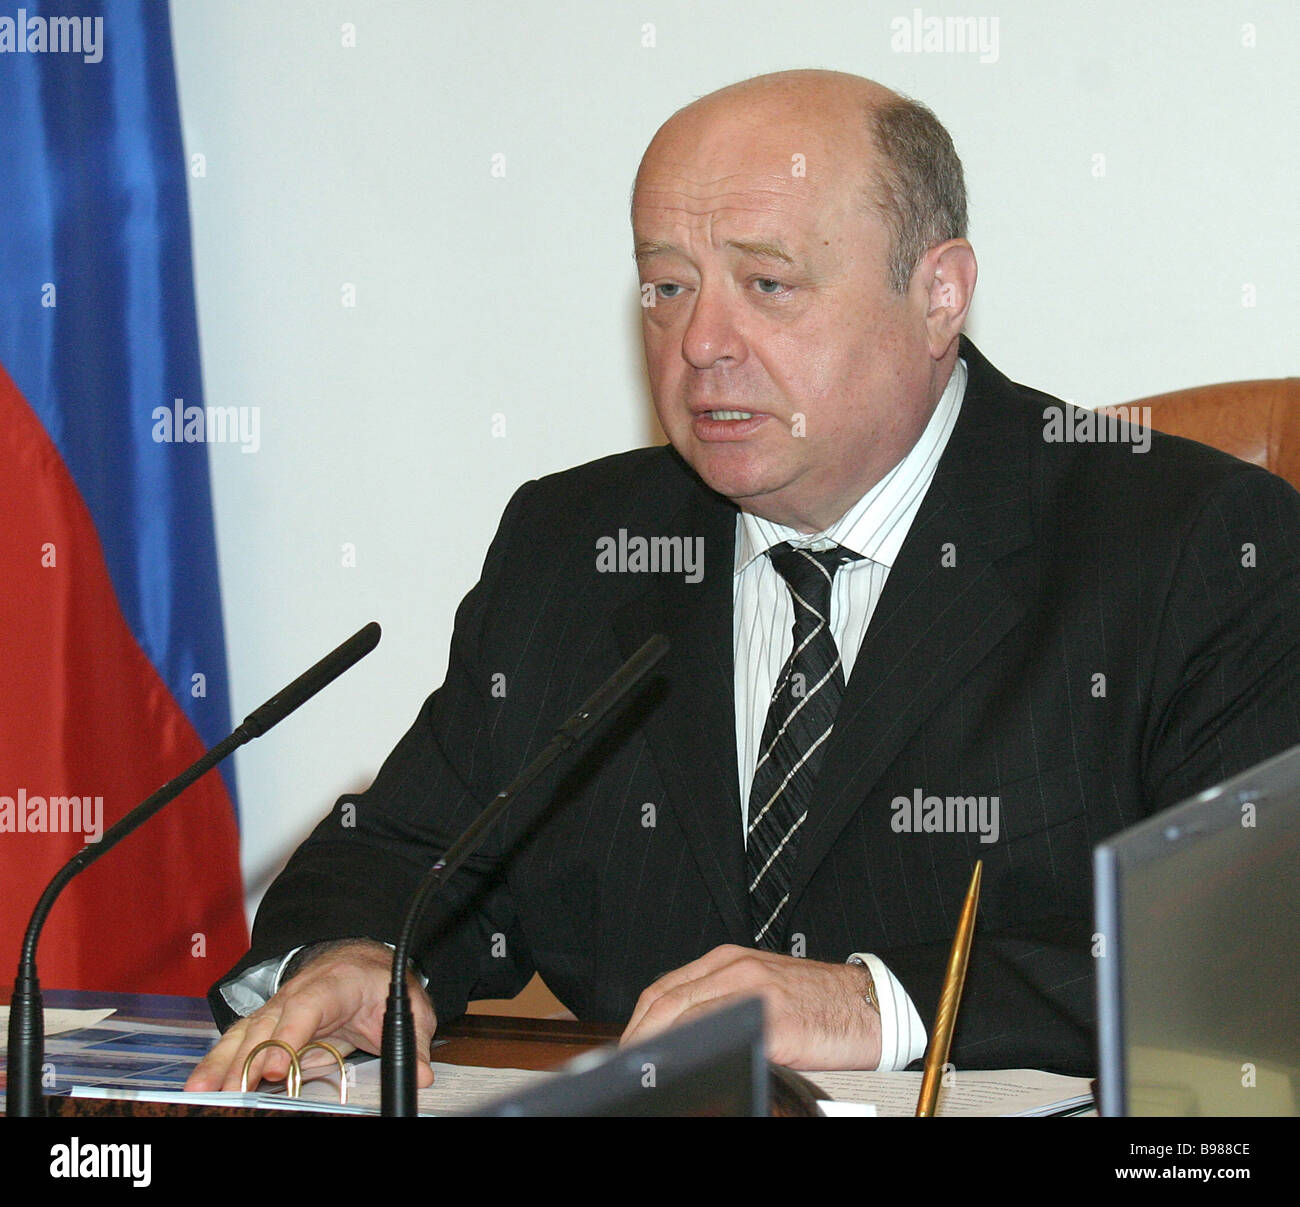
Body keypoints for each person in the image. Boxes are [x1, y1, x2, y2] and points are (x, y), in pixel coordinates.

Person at [187, 69, 1300, 1093]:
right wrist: (356, 957)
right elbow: (402, 850)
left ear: (938, 293)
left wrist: (878, 1003)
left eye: (768, 283)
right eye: (665, 287)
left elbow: (1259, 955)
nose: (702, 340)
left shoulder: (1193, 547)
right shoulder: (578, 545)